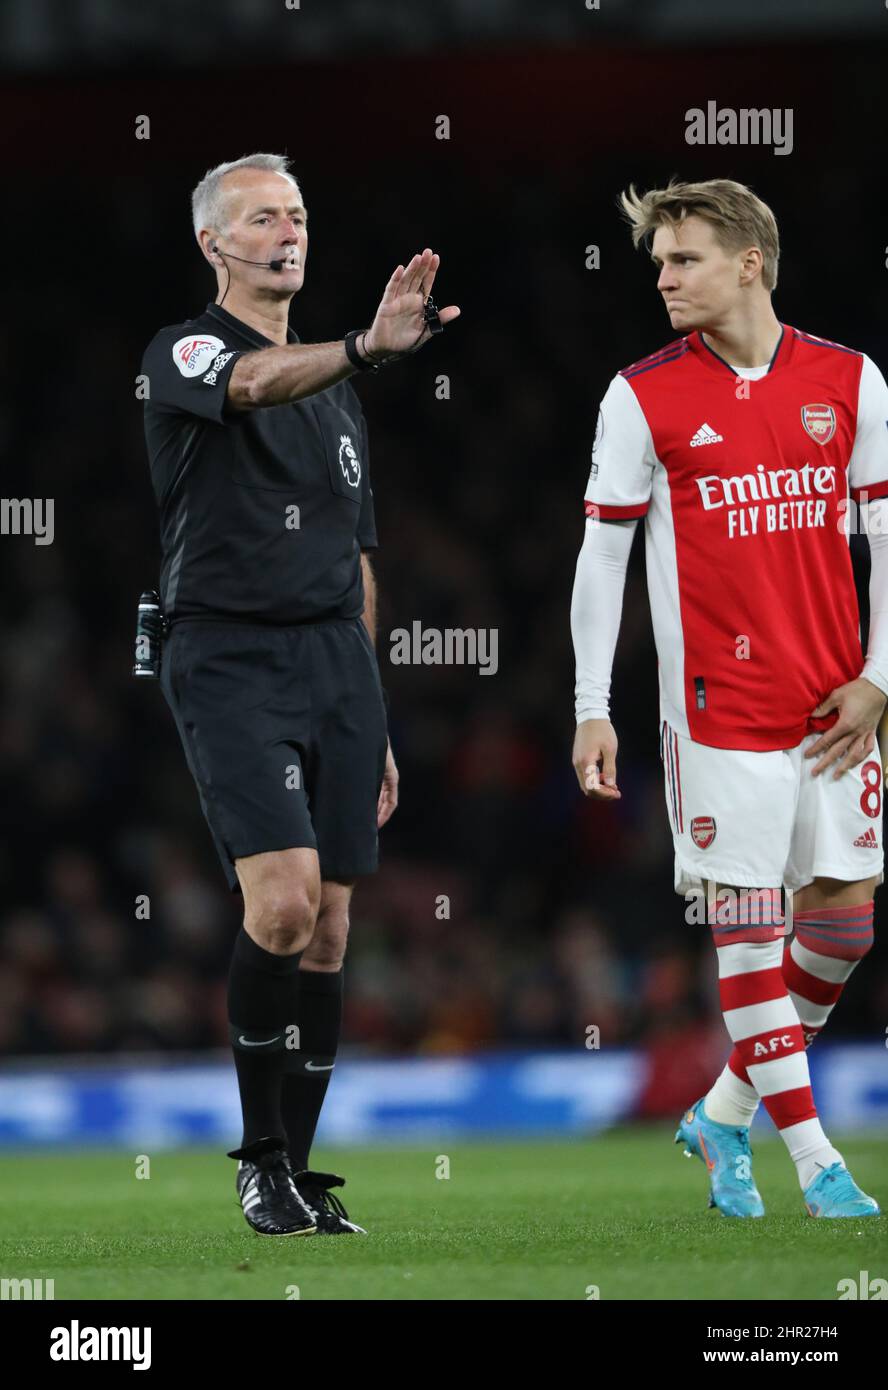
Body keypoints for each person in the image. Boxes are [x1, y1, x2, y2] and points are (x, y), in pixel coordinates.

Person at [141, 152, 459, 1236]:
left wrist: (372, 722)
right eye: (263, 216)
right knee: (278, 902)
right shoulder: (186, 351)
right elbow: (251, 382)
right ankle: (257, 1157)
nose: (289, 229)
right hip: (227, 656)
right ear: (212, 243)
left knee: (327, 934)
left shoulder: (339, 409)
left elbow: (357, 560)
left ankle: (299, 1176)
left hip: (336, 667)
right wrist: (369, 348)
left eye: (300, 213)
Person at [571, 178, 885, 1218]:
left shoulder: (850, 381)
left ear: (749, 262)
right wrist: (590, 701)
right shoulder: (641, 394)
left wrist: (880, 679)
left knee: (841, 934)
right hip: (718, 714)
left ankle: (720, 1113)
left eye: (683, 258)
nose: (662, 277)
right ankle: (816, 1161)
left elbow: (886, 544)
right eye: (658, 261)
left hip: (836, 709)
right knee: (750, 935)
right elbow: (600, 556)